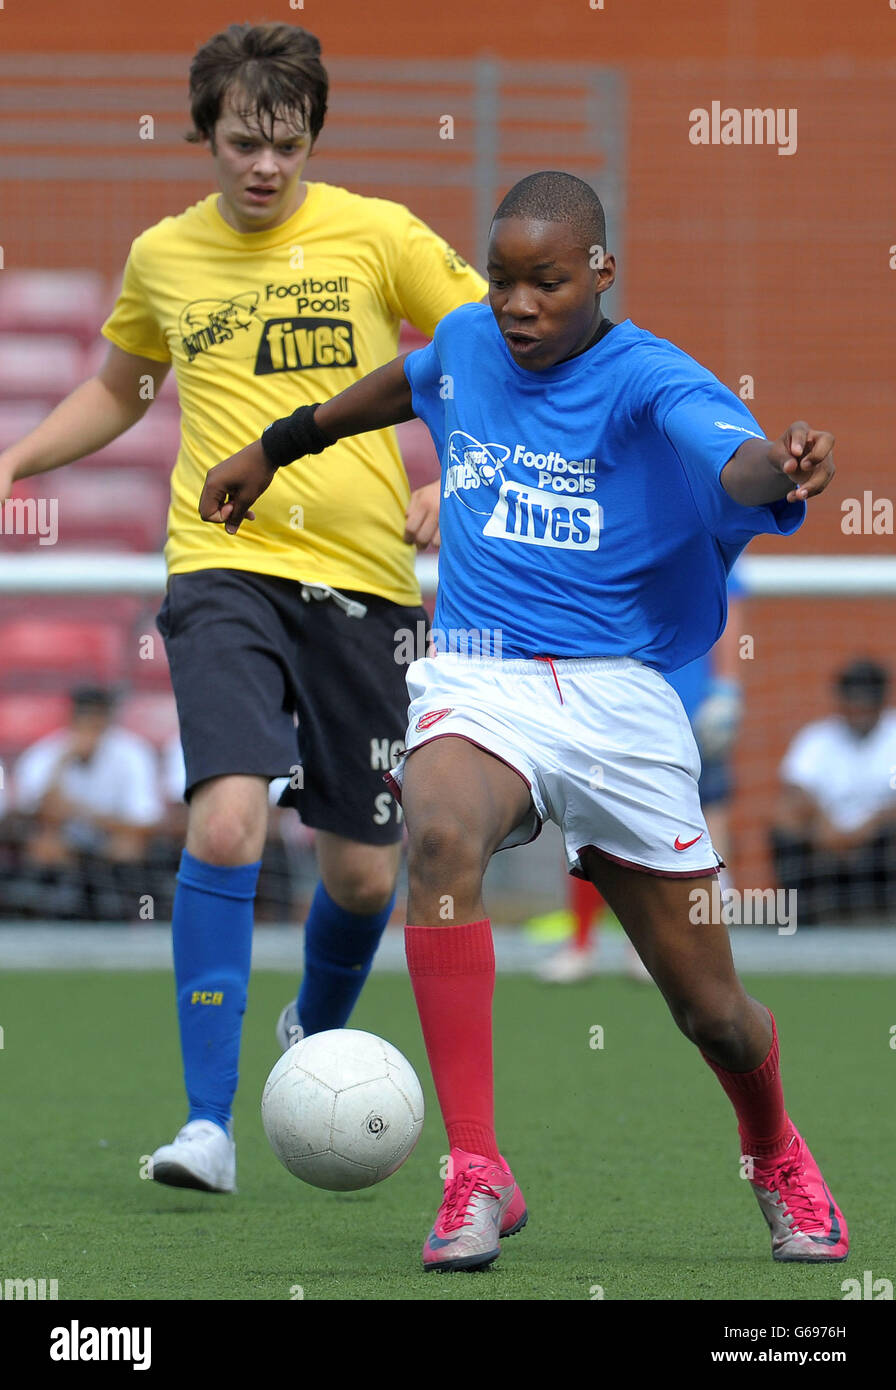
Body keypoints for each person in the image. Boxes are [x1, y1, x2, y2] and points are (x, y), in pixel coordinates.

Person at [199, 170, 846, 1272]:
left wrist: (775, 466)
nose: (516, 304)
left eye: (544, 282)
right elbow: (402, 382)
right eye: (501, 279)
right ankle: (476, 1167)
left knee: (714, 1015)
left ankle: (773, 1148)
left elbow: (726, 458)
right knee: (440, 833)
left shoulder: (647, 376)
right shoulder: (467, 342)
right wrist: (277, 446)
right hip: (481, 674)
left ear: (598, 272)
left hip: (621, 699)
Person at [0, 23, 487, 1194]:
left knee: (366, 875)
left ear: (311, 138)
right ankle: (204, 1125)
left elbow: (498, 359)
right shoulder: (163, 256)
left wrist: (450, 479)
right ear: (204, 138)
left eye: (283, 144)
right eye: (239, 143)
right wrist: (17, 464)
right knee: (225, 820)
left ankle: (309, 1039)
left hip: (367, 586)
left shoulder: (379, 238)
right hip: (222, 569)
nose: (262, 167)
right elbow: (122, 386)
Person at [536, 573, 746, 982]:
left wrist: (726, 689)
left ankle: (654, 949)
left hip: (688, 712)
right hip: (615, 704)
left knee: (686, 827)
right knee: (590, 817)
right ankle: (582, 943)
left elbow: (731, 613)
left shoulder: (705, 525)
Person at [12, 685, 162, 919]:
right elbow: (33, 815)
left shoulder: (133, 753)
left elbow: (145, 823)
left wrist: (86, 815)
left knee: (129, 846)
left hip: (110, 838)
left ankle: (131, 916)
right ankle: (49, 916)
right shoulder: (45, 753)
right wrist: (62, 764)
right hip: (66, 839)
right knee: (44, 845)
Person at [772, 658, 896, 923]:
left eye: (866, 699)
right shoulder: (818, 737)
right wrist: (823, 823)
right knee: (783, 819)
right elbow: (795, 790)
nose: (859, 707)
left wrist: (869, 826)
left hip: (879, 842)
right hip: (826, 837)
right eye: (853, 699)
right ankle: (801, 919)